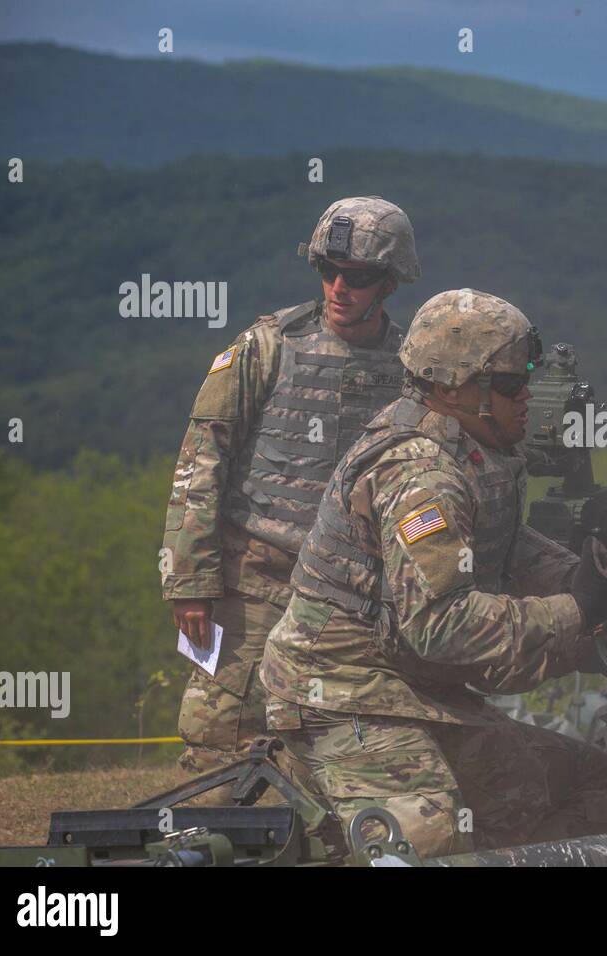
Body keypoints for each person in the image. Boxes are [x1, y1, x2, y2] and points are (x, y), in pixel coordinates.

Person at [260, 288, 607, 858]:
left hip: (416, 689)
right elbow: (440, 623)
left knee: (591, 780)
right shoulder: (420, 475)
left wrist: (590, 582)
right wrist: (574, 609)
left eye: (525, 378)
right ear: (455, 388)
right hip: (341, 691)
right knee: (431, 838)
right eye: (510, 384)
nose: (526, 396)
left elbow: (496, 545)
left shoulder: (471, 447)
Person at [162, 196, 420, 777]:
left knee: (349, 747)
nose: (338, 287)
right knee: (219, 745)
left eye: (357, 277)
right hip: (256, 582)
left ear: (390, 282)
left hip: (357, 594)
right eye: (327, 271)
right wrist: (191, 580)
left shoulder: (409, 367)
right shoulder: (267, 346)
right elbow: (201, 463)